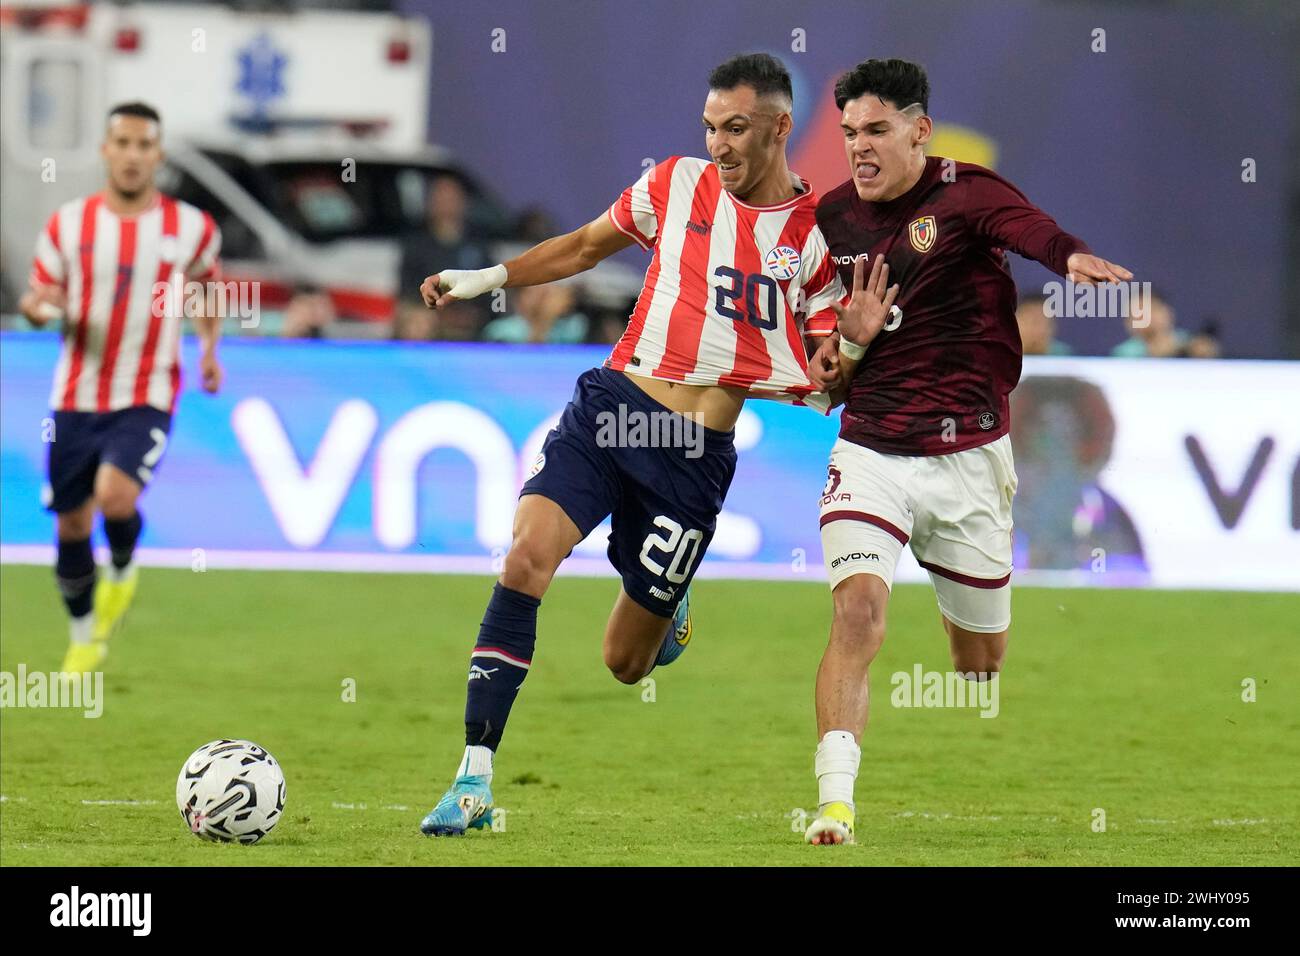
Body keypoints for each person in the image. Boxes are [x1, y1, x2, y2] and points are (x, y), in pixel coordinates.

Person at [415, 53, 844, 836]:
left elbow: (826, 362)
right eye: (711, 126)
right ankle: (472, 779)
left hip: (691, 460)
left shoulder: (815, 240)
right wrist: (489, 277)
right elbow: (583, 247)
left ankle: (669, 608)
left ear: (782, 128)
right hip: (615, 409)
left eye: (737, 128)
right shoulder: (675, 185)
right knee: (524, 558)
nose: (719, 143)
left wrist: (839, 363)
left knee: (625, 663)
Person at [801, 59, 1132, 845]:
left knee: (979, 665)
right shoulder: (829, 222)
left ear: (919, 130)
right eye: (850, 133)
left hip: (971, 461)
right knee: (858, 617)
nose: (860, 148)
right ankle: (834, 805)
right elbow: (819, 382)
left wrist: (1071, 258)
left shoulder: (968, 193)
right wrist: (849, 342)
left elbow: (1032, 232)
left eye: (877, 131)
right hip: (872, 449)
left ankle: (958, 612)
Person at [18, 102, 223, 676]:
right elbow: (36, 300)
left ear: (157, 155)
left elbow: (208, 287)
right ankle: (84, 636)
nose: (133, 155)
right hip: (75, 398)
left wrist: (209, 349)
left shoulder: (191, 226)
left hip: (148, 390)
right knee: (73, 523)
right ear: (106, 150)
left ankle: (126, 566)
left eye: (144, 145)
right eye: (122, 143)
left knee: (115, 497)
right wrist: (39, 309)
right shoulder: (68, 224)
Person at [481, 283, 588, 344]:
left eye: (546, 293)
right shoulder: (499, 331)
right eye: (533, 291)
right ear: (519, 299)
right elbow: (526, 361)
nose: (540, 299)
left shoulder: (573, 327)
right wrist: (544, 319)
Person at [1110, 288, 1187, 357]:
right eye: (1137, 312)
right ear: (1128, 322)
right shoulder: (1123, 355)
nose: (1146, 317)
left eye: (1152, 309)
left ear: (1168, 312)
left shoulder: (1189, 343)